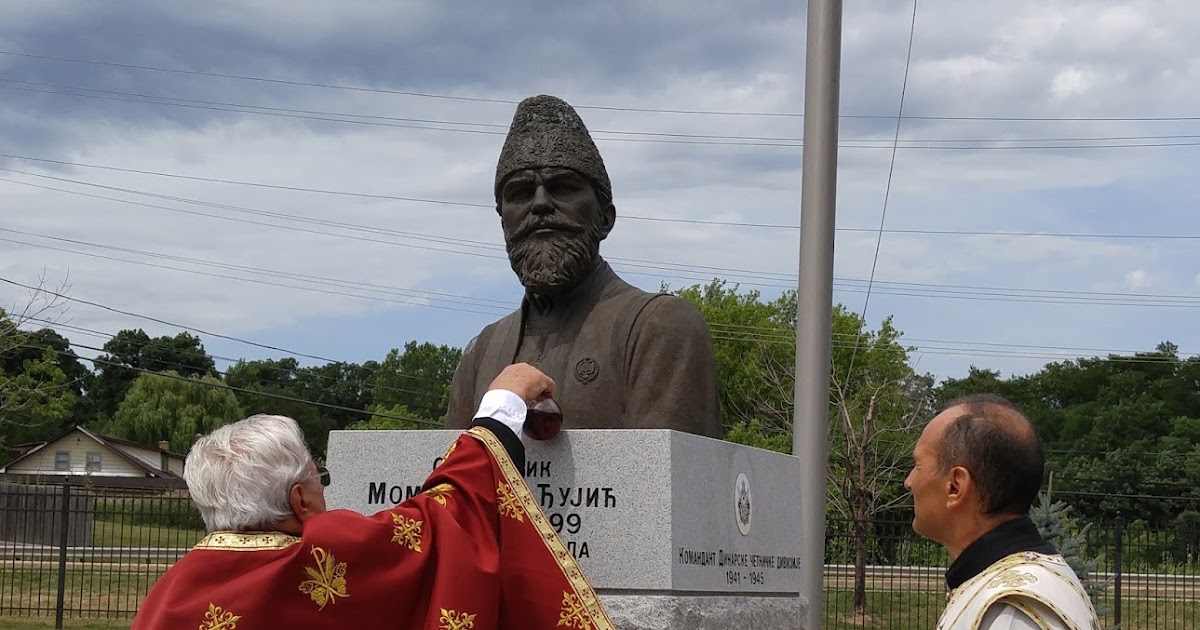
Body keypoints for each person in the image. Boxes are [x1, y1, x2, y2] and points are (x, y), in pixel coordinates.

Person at [133, 363, 615, 630]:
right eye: (318, 476)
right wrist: (504, 401)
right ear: (300, 500)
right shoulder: (317, 560)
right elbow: (453, 509)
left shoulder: (171, 595)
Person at [445, 94, 721, 438]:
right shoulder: (481, 352)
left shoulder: (657, 329)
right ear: (504, 224)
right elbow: (452, 483)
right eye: (520, 192)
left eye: (563, 188)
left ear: (605, 218)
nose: (541, 203)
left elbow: (667, 482)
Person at [905, 394, 1099, 630]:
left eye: (918, 466)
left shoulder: (1012, 614)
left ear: (955, 486)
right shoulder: (1008, 587)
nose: (909, 482)